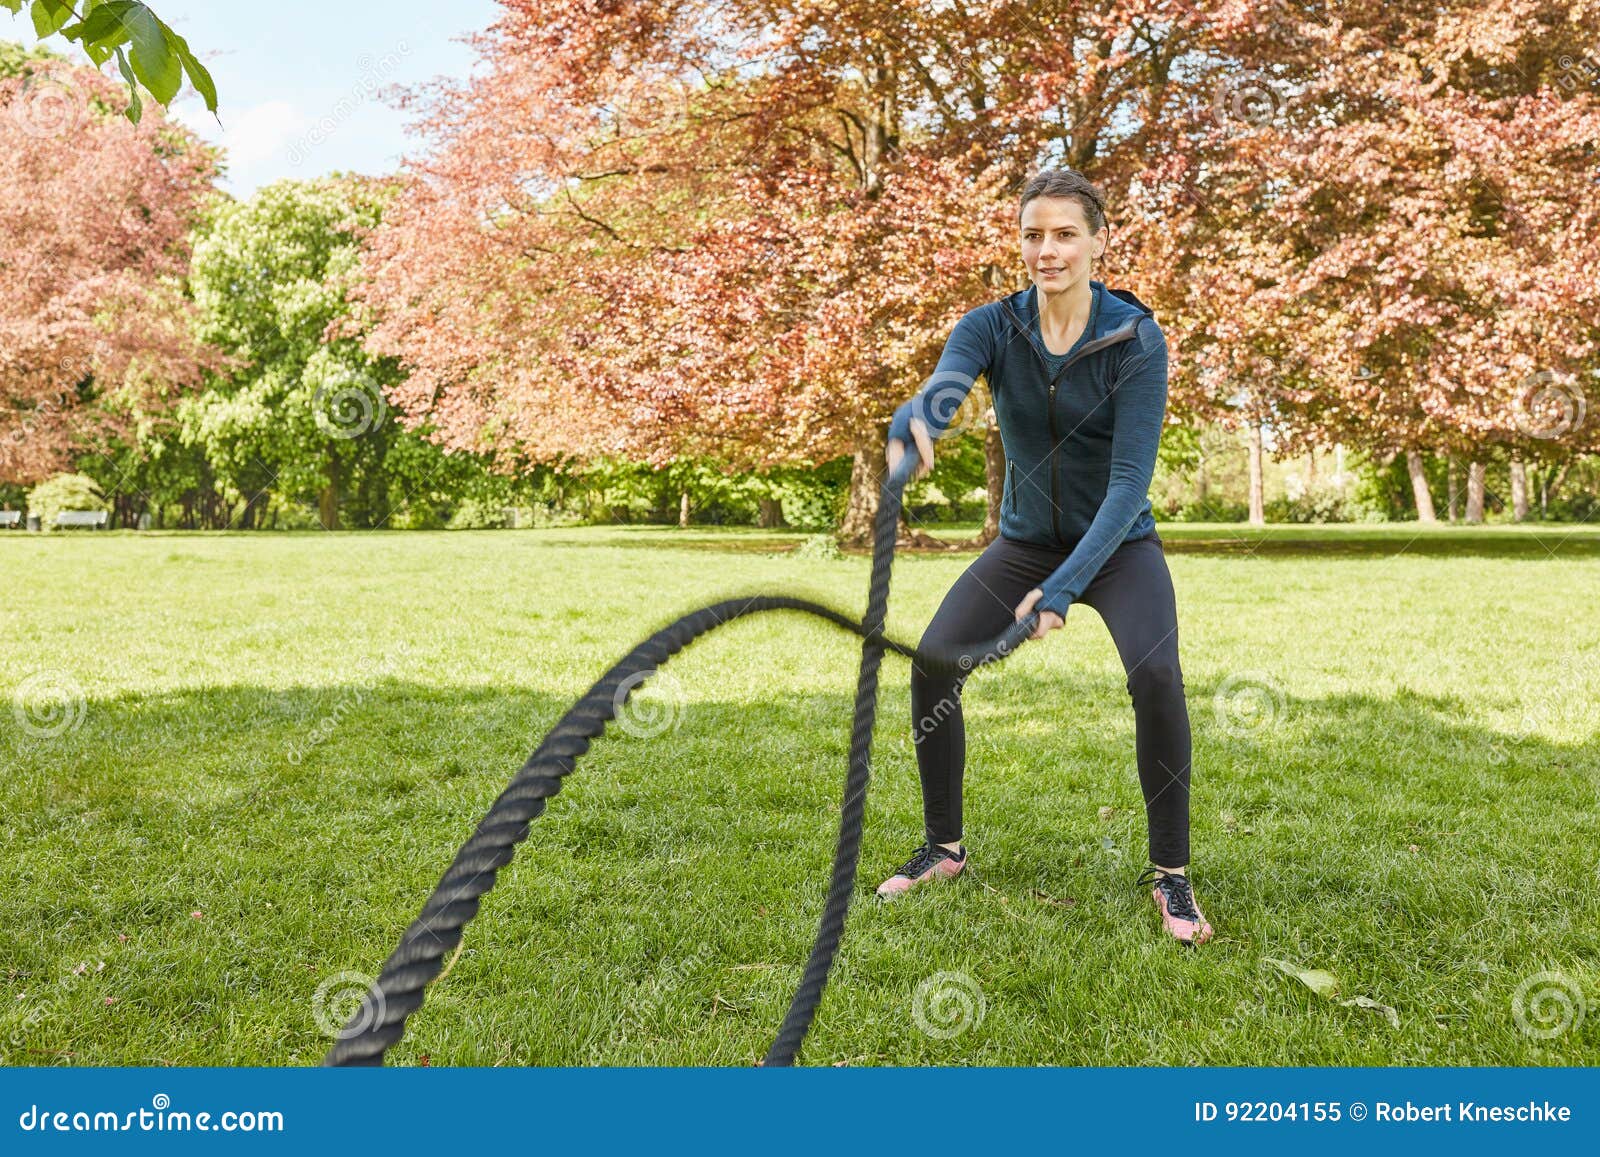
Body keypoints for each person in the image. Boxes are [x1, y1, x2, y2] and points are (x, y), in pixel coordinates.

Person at [879, 167, 1212, 945]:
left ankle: (1172, 875)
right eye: (1033, 234)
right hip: (1027, 539)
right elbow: (945, 387)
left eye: (1065, 234)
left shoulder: (1135, 338)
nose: (1047, 249)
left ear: (1098, 242)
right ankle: (944, 848)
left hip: (1119, 544)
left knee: (1157, 675)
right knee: (933, 660)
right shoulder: (994, 326)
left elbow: (1130, 483)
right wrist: (918, 416)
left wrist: (1062, 590)